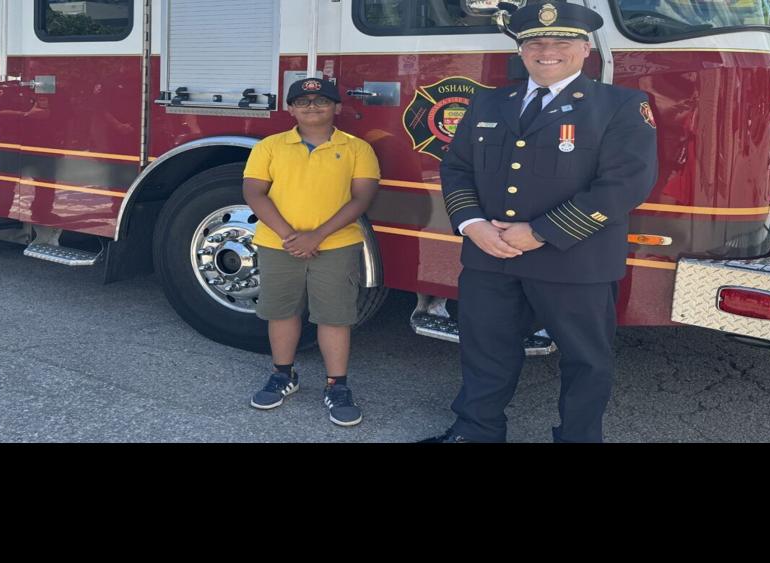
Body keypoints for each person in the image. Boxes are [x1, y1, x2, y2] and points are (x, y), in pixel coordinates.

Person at [422, 2, 657, 443]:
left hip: (575, 260)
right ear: (521, 49)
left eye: (561, 41)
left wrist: (541, 232)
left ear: (585, 49)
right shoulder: (489, 101)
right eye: (535, 42)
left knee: (586, 361)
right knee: (484, 351)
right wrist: (472, 224)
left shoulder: (620, 105)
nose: (547, 51)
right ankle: (476, 432)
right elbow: (457, 168)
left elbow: (626, 184)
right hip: (490, 255)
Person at [244, 77, 381, 426]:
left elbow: (362, 198)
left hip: (336, 244)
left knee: (334, 316)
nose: (311, 107)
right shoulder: (270, 147)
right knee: (281, 311)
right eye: (302, 102)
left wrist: (316, 236)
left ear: (337, 107)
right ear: (290, 109)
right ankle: (283, 375)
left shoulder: (357, 148)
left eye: (321, 100)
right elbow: (254, 192)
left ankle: (337, 385)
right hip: (278, 244)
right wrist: (291, 236)